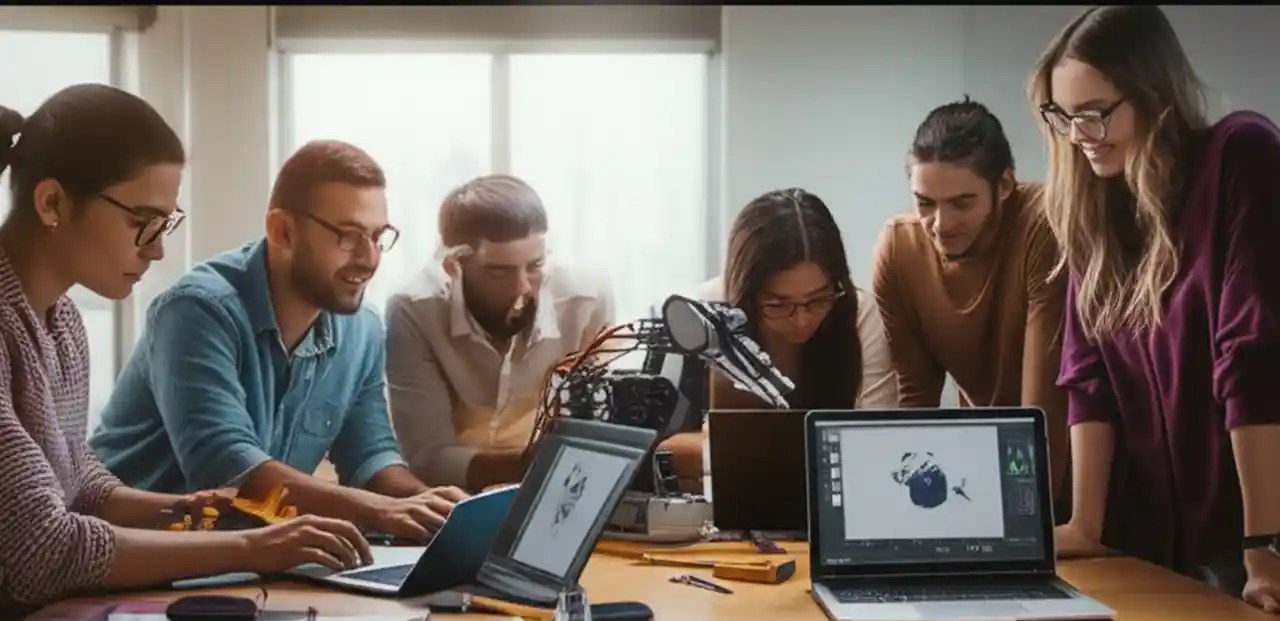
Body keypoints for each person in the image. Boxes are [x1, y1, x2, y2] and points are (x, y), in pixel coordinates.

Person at [0, 85, 372, 621]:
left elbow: (75, 481)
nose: (157, 249)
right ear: (52, 203)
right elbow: (43, 551)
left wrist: (187, 510)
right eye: (142, 221)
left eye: (166, 223)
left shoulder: (63, 322)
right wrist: (253, 547)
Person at [90, 139, 466, 543]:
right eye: (349, 236)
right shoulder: (198, 310)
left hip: (253, 553)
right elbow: (228, 468)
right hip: (131, 554)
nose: (370, 258)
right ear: (282, 231)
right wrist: (381, 510)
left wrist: (432, 506)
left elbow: (370, 455)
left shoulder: (363, 328)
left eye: (378, 236)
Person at [1032, 5, 1280, 613]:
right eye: (1064, 116)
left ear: (1154, 94)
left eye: (1095, 113)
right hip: (1158, 550)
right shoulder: (1093, 207)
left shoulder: (1240, 152)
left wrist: (1264, 550)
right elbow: (1088, 380)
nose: (1080, 135)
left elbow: (1250, 358)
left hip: (1249, 536)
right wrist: (1084, 525)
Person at [871, 99, 1070, 514]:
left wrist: (1027, 522)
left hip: (1075, 463)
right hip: (986, 459)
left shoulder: (1045, 222)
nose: (941, 224)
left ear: (1005, 185)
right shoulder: (900, 247)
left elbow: (1044, 406)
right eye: (925, 203)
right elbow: (915, 398)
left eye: (962, 203)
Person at [384, 174, 613, 492]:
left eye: (534, 266)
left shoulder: (585, 299)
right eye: (498, 272)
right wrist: (546, 461)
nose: (522, 289)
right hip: (455, 497)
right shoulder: (413, 310)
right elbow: (428, 459)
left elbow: (603, 429)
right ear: (453, 266)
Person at [661, 188, 899, 483]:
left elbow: (876, 441)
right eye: (777, 304)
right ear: (745, 295)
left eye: (818, 299)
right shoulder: (703, 315)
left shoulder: (859, 315)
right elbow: (663, 449)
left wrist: (729, 450)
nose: (801, 320)